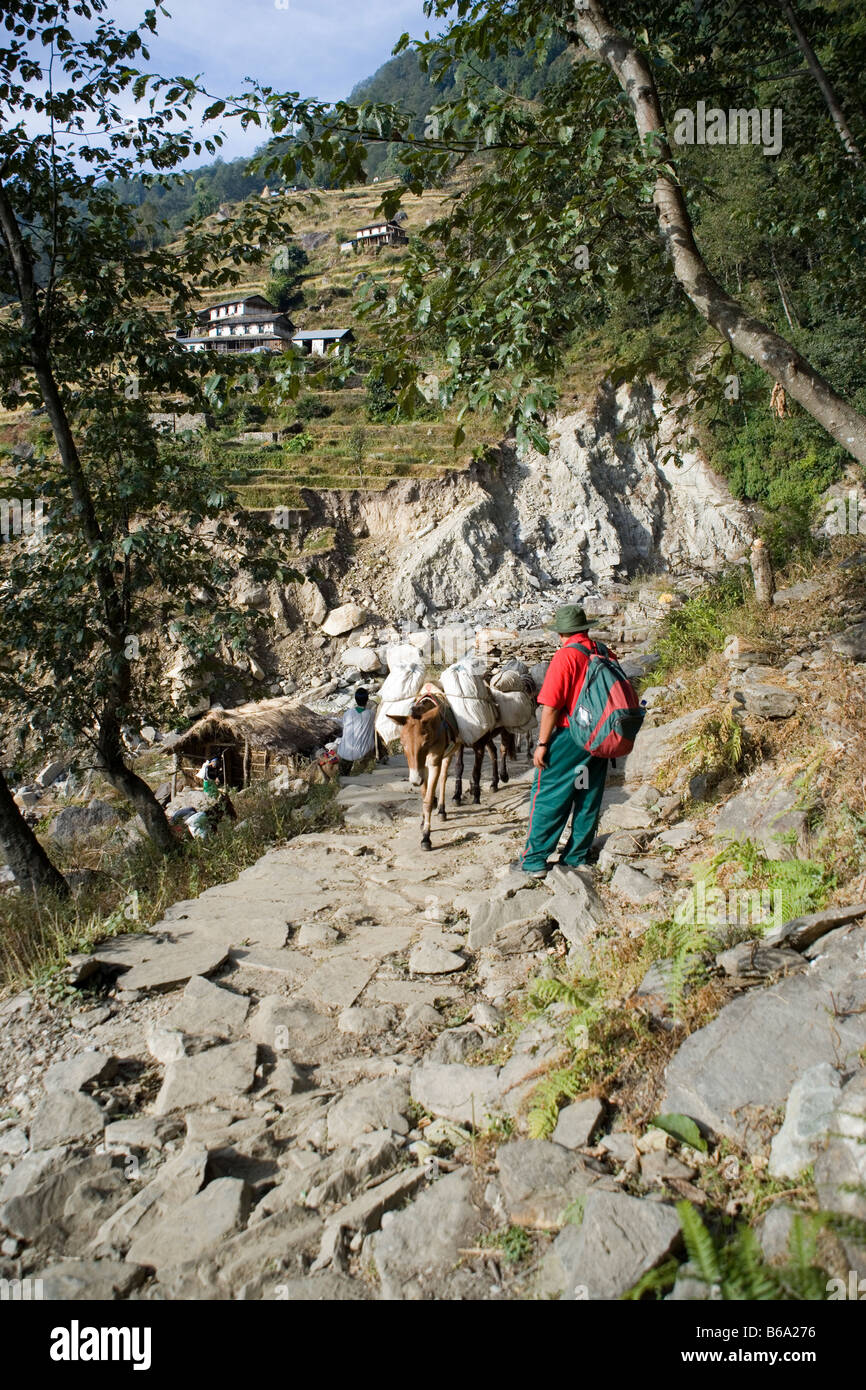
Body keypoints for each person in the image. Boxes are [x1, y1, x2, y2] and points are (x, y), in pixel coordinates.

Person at [515, 604, 611, 877]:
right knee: (587, 794)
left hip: (571, 736)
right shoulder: (602, 652)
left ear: (561, 633)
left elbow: (551, 706)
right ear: (586, 628)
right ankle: (576, 855)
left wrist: (542, 744)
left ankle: (534, 860)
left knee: (549, 794)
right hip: (600, 738)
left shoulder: (566, 657)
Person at [337, 687, 377, 776]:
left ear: (355, 699)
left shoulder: (348, 713)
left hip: (345, 752)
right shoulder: (371, 715)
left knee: (343, 776)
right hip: (363, 753)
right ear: (367, 700)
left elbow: (344, 727)